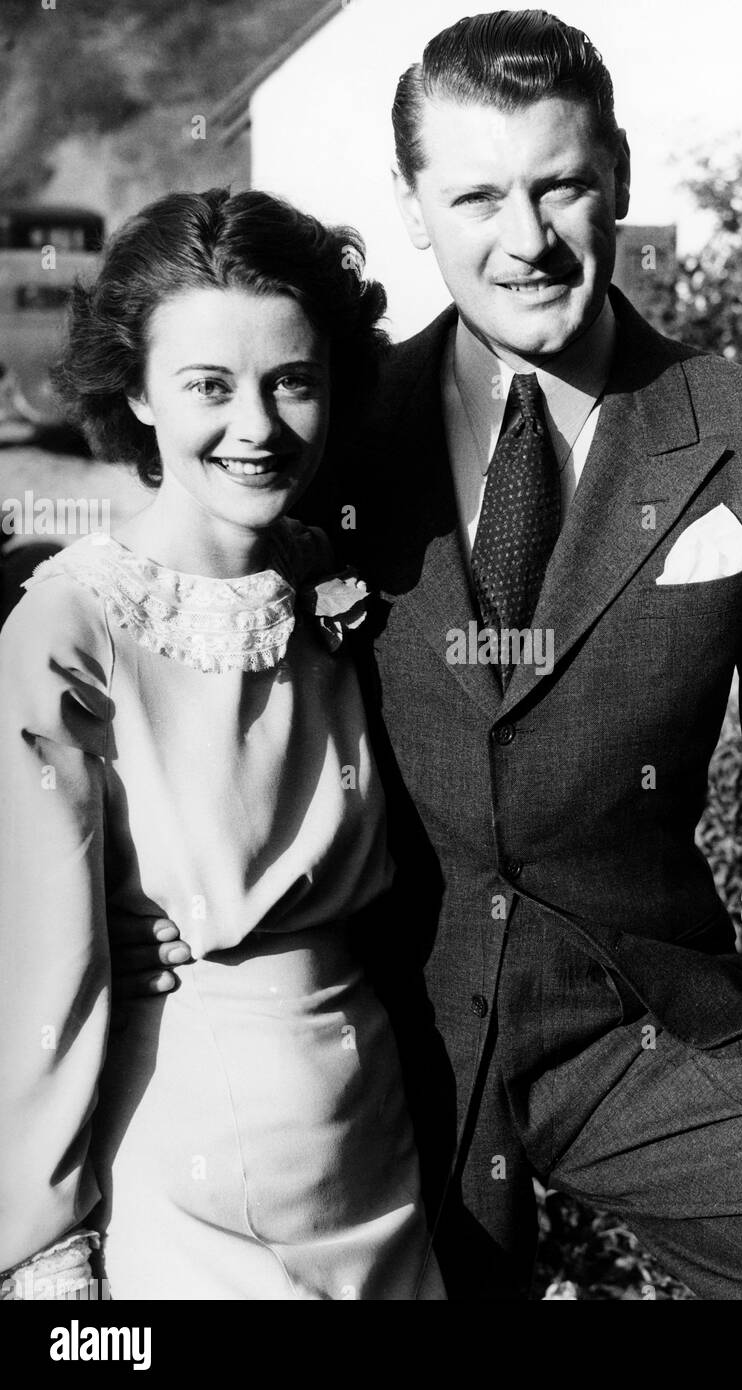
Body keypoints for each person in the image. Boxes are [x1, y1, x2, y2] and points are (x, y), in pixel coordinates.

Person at [116, 13, 742, 1300]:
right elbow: (158, 647)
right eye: (475, 194)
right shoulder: (332, 431)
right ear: (416, 206)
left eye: (560, 185)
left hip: (642, 1023)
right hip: (377, 1027)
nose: (523, 241)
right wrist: (131, 907)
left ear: (619, 176)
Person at [0, 188, 444, 1300]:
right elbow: (38, 975)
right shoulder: (72, 623)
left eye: (291, 380)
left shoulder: (318, 570)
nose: (257, 425)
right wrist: (44, 1241)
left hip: (368, 1136)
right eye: (208, 386)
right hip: (186, 1150)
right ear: (137, 393)